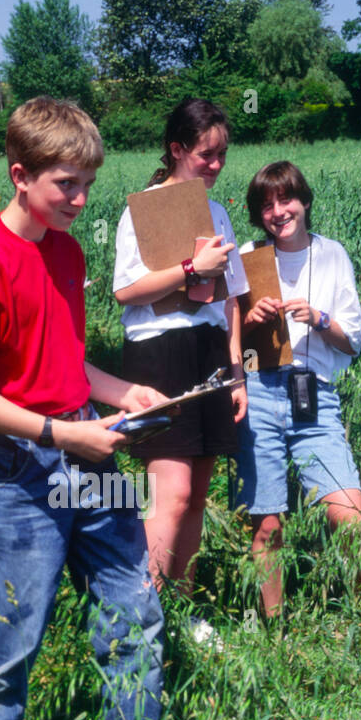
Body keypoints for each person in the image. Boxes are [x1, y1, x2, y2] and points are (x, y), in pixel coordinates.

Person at [0, 96, 169, 720]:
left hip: (86, 449)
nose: (78, 199)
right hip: (18, 472)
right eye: (64, 185)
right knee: (11, 651)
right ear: (20, 174)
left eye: (86, 184)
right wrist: (60, 435)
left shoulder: (66, 252)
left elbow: (67, 362)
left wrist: (123, 390)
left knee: (135, 615)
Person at [111, 98, 247, 648]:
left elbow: (233, 296)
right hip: (159, 354)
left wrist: (237, 371)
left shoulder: (217, 213)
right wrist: (191, 268)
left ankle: (182, 609)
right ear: (176, 149)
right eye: (205, 154)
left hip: (210, 350)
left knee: (197, 496)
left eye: (222, 155)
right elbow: (126, 291)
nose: (215, 165)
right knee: (172, 491)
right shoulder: (143, 209)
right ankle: (145, 614)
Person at [232, 160, 361, 617]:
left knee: (349, 517)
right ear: (257, 215)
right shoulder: (247, 257)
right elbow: (231, 347)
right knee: (268, 524)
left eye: (286, 199)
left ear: (304, 202)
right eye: (266, 205)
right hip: (260, 390)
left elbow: (354, 341)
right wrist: (250, 323)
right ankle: (275, 630)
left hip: (315, 394)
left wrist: (321, 319)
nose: (278, 211)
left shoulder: (333, 255)